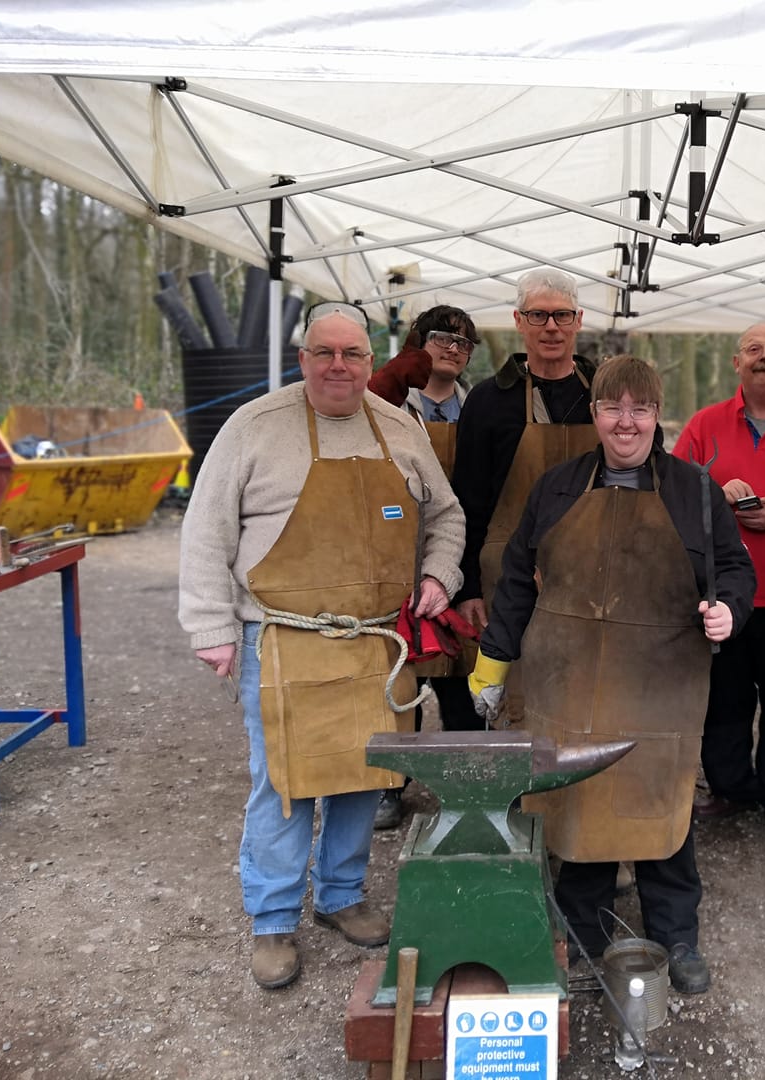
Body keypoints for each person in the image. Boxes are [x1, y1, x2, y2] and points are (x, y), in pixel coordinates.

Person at [178, 301, 465, 990]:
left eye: (353, 354)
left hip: (375, 642)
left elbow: (447, 516)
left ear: (374, 362)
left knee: (365, 779)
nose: (339, 366)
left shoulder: (399, 427)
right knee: (284, 786)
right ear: (302, 358)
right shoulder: (254, 427)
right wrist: (211, 628)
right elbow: (204, 532)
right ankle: (273, 919)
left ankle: (341, 895)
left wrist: (438, 575)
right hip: (283, 640)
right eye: (324, 352)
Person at [467, 355, 756, 995]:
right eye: (612, 407)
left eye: (641, 408)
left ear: (657, 415)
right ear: (594, 413)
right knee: (580, 810)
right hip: (568, 682)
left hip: (662, 688)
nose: (626, 422)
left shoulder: (695, 491)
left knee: (663, 811)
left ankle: (676, 935)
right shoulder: (556, 486)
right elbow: (516, 582)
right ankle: (584, 935)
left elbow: (736, 570)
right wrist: (491, 664)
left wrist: (727, 612)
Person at [674, 323, 765, 841]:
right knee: (725, 702)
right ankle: (730, 788)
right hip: (723, 599)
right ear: (736, 363)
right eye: (754, 350)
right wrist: (715, 493)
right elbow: (672, 499)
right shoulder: (705, 425)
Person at [369, 304, 484, 830]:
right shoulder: (388, 401)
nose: (453, 350)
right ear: (418, 341)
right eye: (442, 338)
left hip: (458, 556)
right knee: (399, 681)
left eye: (464, 343)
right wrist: (391, 377)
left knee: (459, 677)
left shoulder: (477, 408)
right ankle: (390, 786)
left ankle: (466, 777)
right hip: (394, 555)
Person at [452, 269, 604, 647]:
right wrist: (467, 586)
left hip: (593, 570)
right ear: (519, 321)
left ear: (579, 320)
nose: (551, 326)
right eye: (538, 315)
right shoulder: (487, 400)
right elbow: (467, 499)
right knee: (506, 694)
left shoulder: (604, 394)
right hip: (504, 574)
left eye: (562, 315)